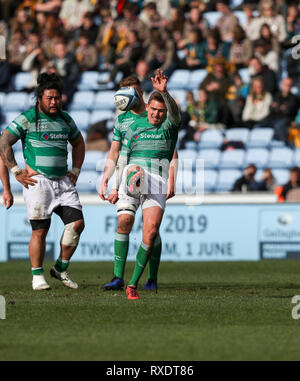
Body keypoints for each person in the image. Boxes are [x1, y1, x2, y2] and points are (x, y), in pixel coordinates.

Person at [0, 73, 85, 291]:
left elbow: (78, 142)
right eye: (50, 98)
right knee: (40, 230)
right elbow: (4, 141)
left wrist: (75, 170)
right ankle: (37, 276)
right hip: (38, 182)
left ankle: (60, 268)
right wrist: (16, 171)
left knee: (77, 224)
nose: (54, 102)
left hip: (63, 181)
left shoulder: (66, 119)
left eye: (57, 98)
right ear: (40, 98)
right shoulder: (28, 118)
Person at [99, 75, 178, 292]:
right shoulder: (124, 121)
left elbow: (172, 150)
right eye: (126, 92)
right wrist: (111, 183)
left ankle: (150, 278)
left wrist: (173, 177)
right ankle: (118, 277)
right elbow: (118, 153)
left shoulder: (162, 116)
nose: (130, 96)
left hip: (158, 176)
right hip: (131, 174)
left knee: (151, 231)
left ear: (140, 93)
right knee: (124, 220)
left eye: (134, 91)